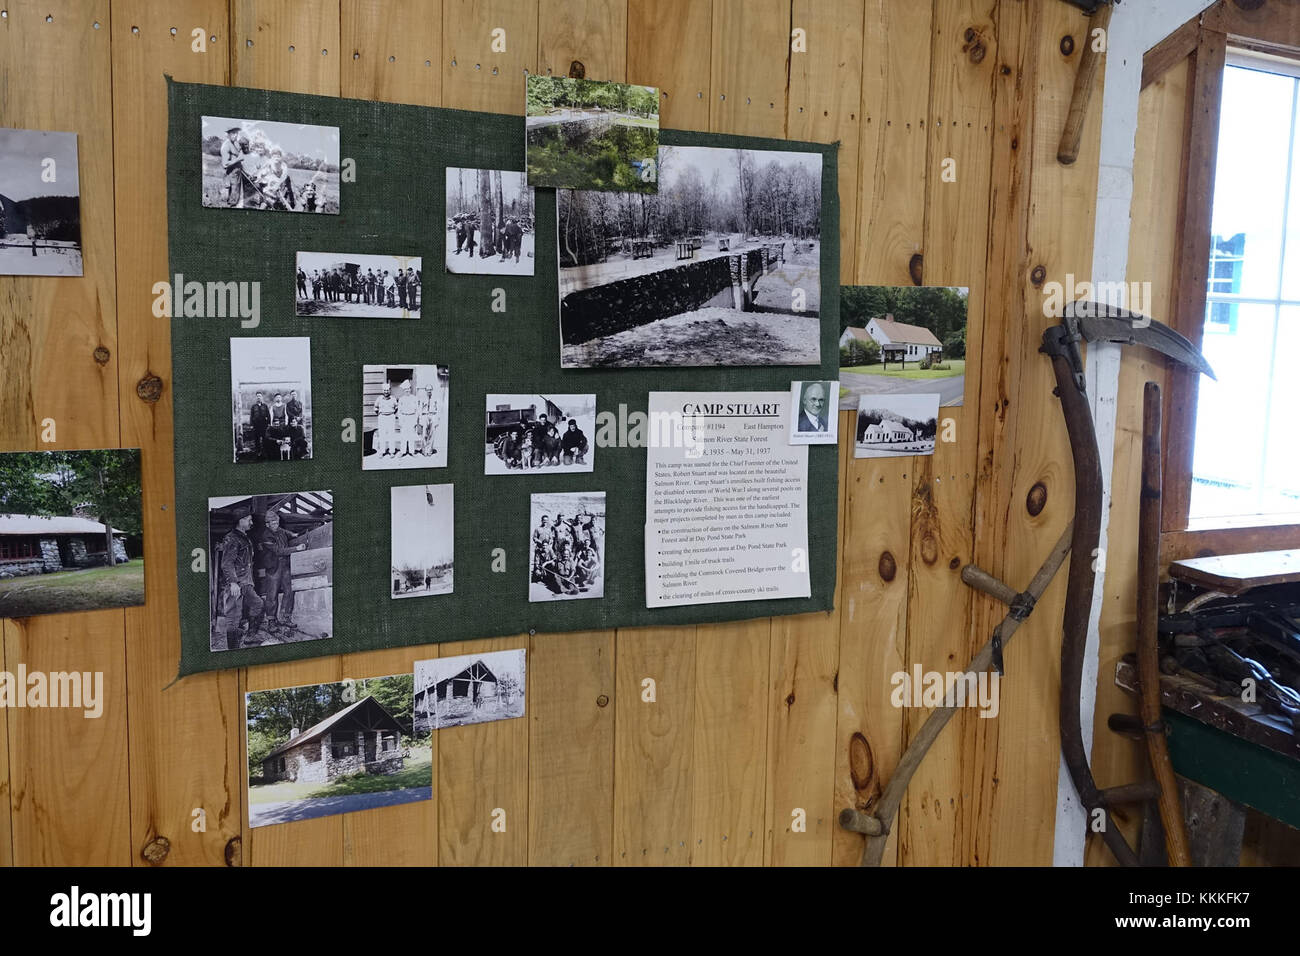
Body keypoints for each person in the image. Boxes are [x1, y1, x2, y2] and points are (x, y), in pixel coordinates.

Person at [255, 508, 308, 636]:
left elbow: (284, 531)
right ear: (267, 524)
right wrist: (296, 548)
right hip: (273, 567)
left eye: (277, 522)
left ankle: (285, 617)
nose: (276, 525)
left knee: (289, 592)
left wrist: (293, 535)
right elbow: (278, 551)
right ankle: (271, 621)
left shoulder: (278, 529)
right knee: (272, 595)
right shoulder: (266, 535)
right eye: (273, 523)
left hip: (285, 565)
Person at [218, 510, 266, 649]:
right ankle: (233, 649)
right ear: (240, 521)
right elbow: (227, 563)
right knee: (233, 617)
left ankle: (250, 637)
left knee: (258, 604)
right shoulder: (232, 538)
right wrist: (233, 583)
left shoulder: (244, 537)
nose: (251, 522)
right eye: (248, 519)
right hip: (236, 583)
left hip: (246, 582)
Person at [220, 126, 244, 206]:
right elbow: (225, 164)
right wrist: (238, 159)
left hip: (236, 173)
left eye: (237, 133)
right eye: (233, 133)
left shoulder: (233, 144)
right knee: (233, 199)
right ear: (228, 134)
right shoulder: (226, 146)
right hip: (231, 174)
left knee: (235, 196)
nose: (236, 135)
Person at [373, 383, 398, 458]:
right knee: (382, 435)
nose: (386, 392)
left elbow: (396, 408)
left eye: (387, 390)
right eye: (385, 390)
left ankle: (392, 452)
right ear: (382, 391)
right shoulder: (379, 399)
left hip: (391, 417)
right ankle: (382, 451)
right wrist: (381, 414)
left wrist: (391, 414)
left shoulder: (393, 399)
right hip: (382, 417)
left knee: (391, 435)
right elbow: (375, 408)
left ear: (389, 390)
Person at [396, 382, 420, 456]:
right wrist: (400, 420)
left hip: (411, 417)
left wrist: (416, 420)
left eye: (408, 389)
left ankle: (411, 451)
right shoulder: (401, 399)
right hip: (404, 418)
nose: (407, 391)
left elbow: (417, 410)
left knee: (411, 435)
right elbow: (399, 411)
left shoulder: (414, 398)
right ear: (404, 390)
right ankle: (402, 451)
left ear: (410, 389)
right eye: (405, 389)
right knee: (403, 435)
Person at [248, 391, 270, 459]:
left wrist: (268, 423)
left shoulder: (265, 406)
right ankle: (258, 452)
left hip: (264, 425)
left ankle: (265, 452)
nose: (258, 397)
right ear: (256, 398)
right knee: (257, 439)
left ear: (262, 397)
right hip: (256, 425)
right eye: (257, 396)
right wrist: (251, 424)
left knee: (264, 438)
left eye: (260, 396)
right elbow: (251, 416)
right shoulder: (253, 406)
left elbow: (268, 415)